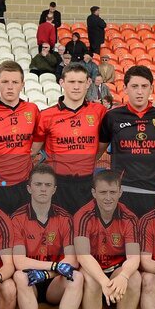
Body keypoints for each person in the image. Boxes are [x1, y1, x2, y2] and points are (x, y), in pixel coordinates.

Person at [10, 165, 83, 309]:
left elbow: (72, 259)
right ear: (29, 188)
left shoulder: (65, 218)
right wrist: (52, 267)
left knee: (77, 277)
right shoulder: (17, 218)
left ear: (54, 189)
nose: (43, 189)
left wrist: (47, 274)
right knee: (19, 276)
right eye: (38, 184)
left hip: (53, 285)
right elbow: (19, 261)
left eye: (47, 185)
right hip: (32, 283)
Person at [73, 170, 141, 309]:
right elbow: (83, 255)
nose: (108, 197)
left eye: (112, 192)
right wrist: (103, 281)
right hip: (93, 267)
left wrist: (124, 276)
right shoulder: (82, 215)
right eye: (103, 192)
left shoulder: (129, 217)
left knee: (135, 277)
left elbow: (134, 257)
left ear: (120, 192)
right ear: (94, 193)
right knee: (91, 279)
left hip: (116, 268)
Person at [97, 65, 155, 217]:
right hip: (121, 193)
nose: (140, 91)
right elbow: (96, 154)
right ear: (125, 88)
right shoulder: (112, 117)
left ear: (152, 88)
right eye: (134, 86)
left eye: (144, 86)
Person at [31, 63, 107, 213]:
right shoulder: (46, 115)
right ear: (62, 83)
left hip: (88, 184)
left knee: (85, 233)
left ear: (88, 83)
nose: (76, 87)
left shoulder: (99, 111)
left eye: (80, 82)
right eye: (72, 82)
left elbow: (104, 142)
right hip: (57, 186)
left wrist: (91, 157)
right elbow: (33, 151)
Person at [0, 61, 40, 214]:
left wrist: (32, 153)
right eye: (5, 82)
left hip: (24, 185)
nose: (10, 86)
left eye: (15, 82)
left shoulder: (32, 110)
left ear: (22, 84)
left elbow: (41, 136)